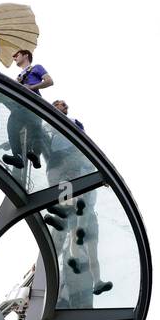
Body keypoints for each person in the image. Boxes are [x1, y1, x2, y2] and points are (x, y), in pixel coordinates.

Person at [43, 100, 112, 297]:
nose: (62, 106)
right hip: (61, 166)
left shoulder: (73, 123)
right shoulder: (48, 124)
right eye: (58, 104)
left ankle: (95, 279)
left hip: (73, 167)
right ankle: (64, 213)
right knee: (72, 210)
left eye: (63, 105)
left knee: (82, 235)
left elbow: (84, 143)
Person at [2, 49, 53, 169]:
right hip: (20, 106)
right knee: (12, 128)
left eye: (17, 55)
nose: (14, 58)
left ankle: (35, 155)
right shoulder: (19, 77)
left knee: (35, 130)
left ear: (26, 56)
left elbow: (49, 81)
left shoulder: (36, 68)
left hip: (34, 103)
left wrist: (31, 87)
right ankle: (18, 156)